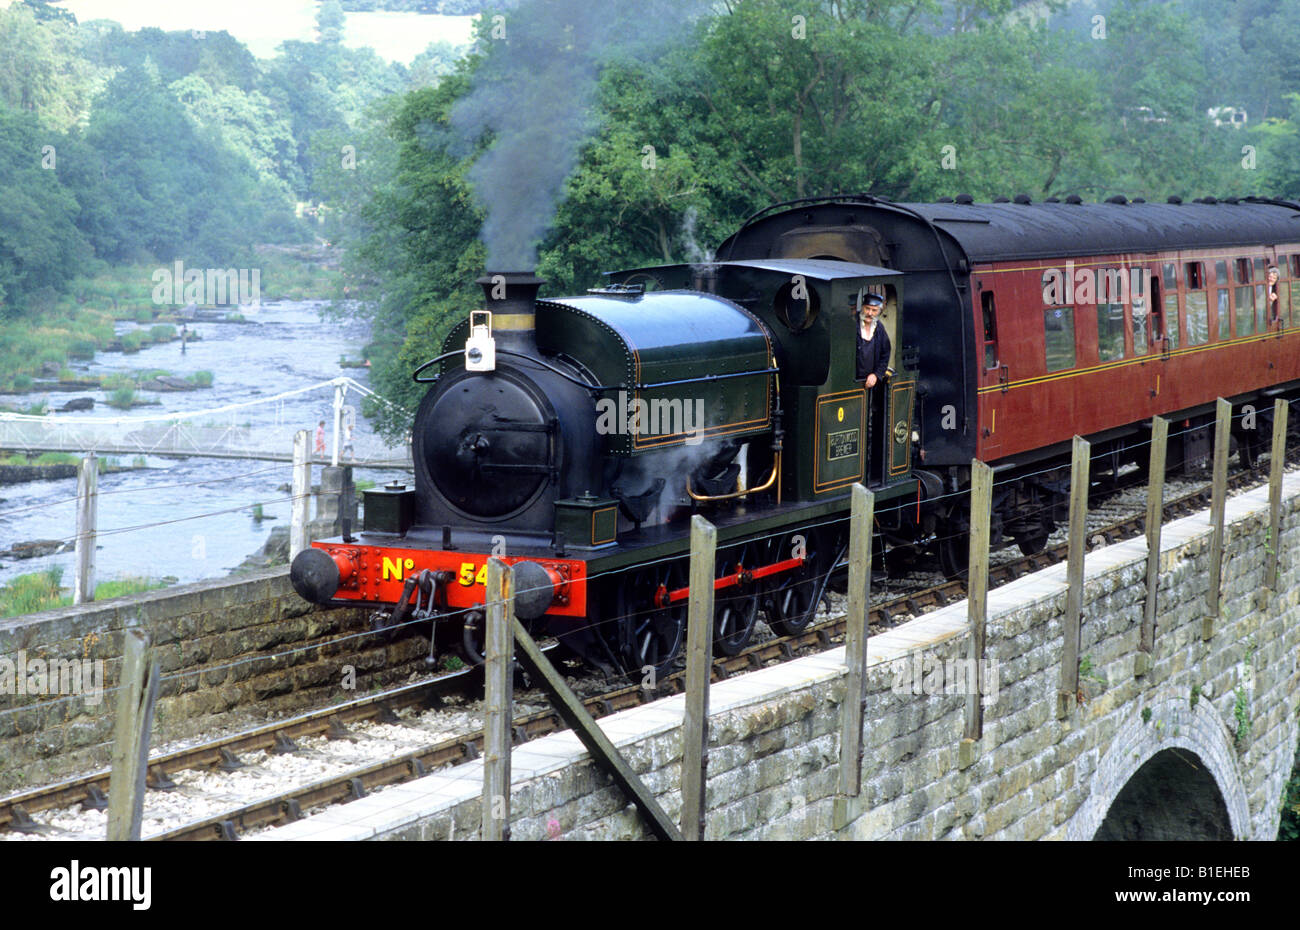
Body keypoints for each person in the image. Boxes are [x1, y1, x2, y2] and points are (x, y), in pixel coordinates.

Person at [855, 292, 892, 387]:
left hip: (871, 381)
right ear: (862, 307)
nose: (870, 313)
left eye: (874, 310)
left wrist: (876, 374)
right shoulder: (853, 323)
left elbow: (885, 353)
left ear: (879, 311)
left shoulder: (879, 327)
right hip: (854, 380)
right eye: (867, 308)